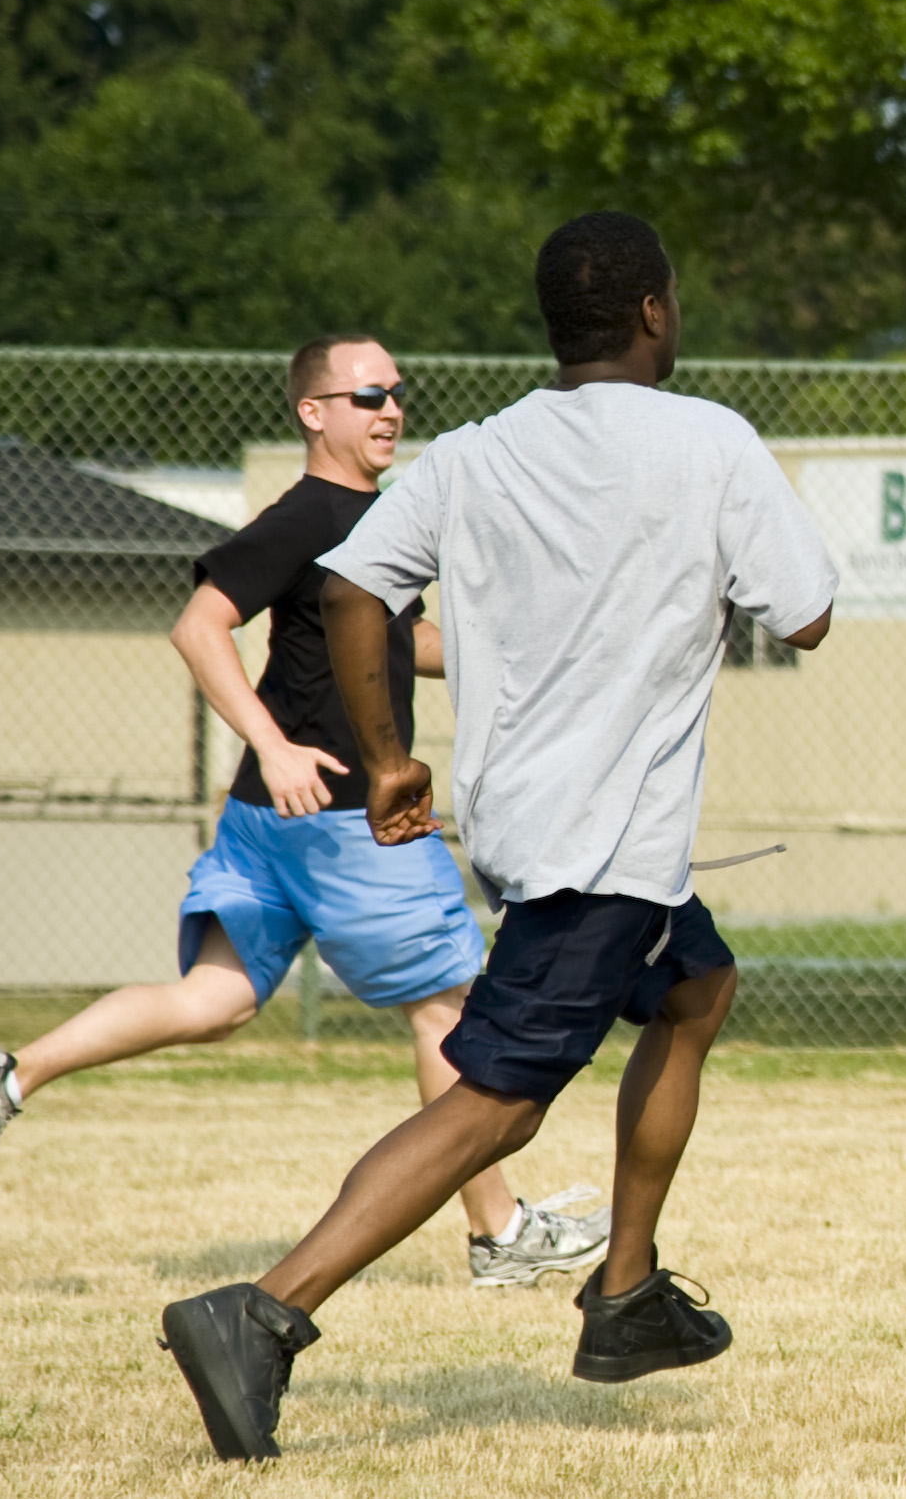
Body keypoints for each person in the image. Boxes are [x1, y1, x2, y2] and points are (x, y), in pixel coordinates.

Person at [155, 212, 839, 1462]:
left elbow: (352, 588)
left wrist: (389, 757)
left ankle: (625, 1291)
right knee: (495, 1108)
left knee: (697, 990)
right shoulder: (711, 442)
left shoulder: (475, 453)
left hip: (556, 831)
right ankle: (261, 1313)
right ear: (653, 313)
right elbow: (806, 615)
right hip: (603, 851)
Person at [0, 334, 608, 1289]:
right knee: (448, 1011)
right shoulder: (309, 515)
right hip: (344, 817)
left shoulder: (370, 516)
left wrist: (522, 655)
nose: (390, 409)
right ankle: (499, 1233)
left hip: (268, 820)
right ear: (312, 413)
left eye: (396, 392)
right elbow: (198, 626)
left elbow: (397, 639)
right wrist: (275, 745)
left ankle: (10, 1074)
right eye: (366, 395)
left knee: (216, 1001)